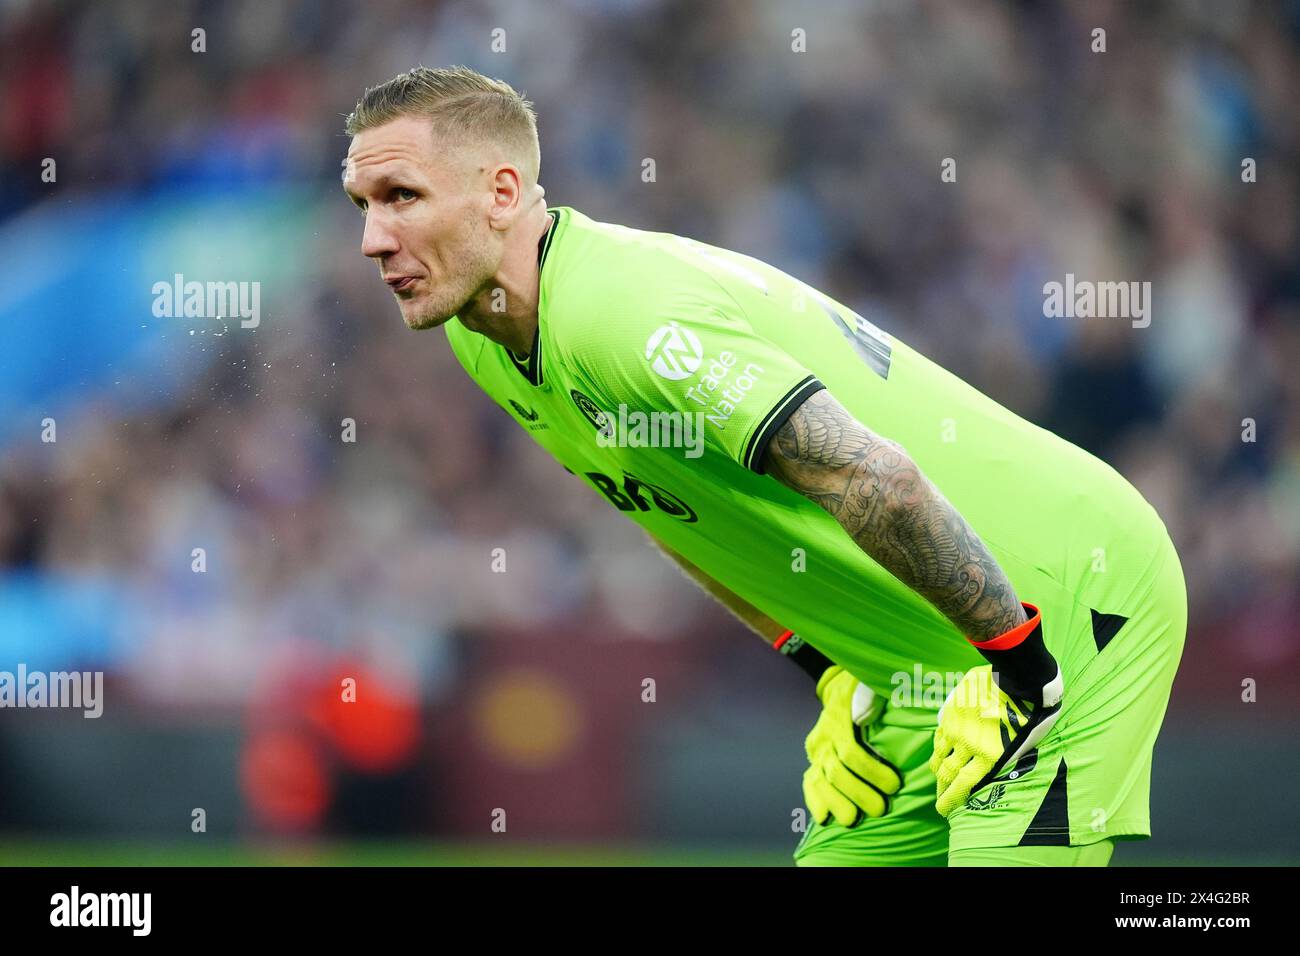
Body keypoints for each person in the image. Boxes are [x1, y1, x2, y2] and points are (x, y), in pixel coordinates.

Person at [341, 65, 1187, 866]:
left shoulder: (618, 314)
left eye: (401, 197)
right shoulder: (480, 336)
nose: (375, 238)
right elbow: (667, 506)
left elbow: (875, 479)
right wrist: (832, 669)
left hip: (1058, 602)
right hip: (931, 649)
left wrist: (1025, 673)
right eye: (362, 204)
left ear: (501, 193)